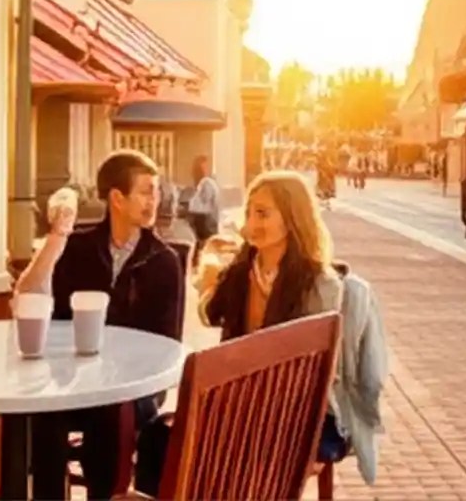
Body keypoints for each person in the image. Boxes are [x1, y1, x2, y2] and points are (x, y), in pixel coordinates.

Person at [133, 171, 387, 494]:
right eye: (250, 212)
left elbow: (312, 373)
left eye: (263, 213)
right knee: (158, 436)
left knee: (217, 454)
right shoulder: (242, 270)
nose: (252, 222)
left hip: (300, 412)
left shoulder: (320, 284)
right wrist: (210, 277)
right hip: (244, 403)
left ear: (292, 218)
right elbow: (210, 316)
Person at [15, 149, 185, 500]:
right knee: (41, 412)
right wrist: (57, 235)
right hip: (75, 380)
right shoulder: (76, 248)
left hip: (135, 387)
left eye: (156, 191)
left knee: (109, 412)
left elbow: (169, 343)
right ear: (117, 198)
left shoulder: (164, 262)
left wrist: (118, 371)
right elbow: (29, 298)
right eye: (145, 191)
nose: (155, 200)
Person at [186, 155, 221, 269]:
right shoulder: (208, 183)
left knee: (203, 250)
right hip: (209, 222)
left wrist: (189, 210)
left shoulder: (206, 183)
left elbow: (202, 206)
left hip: (206, 222)